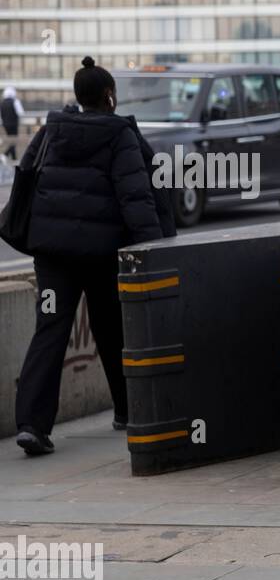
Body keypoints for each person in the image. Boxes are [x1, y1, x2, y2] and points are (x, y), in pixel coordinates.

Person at [14, 57, 170, 456]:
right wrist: (155, 251)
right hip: (101, 254)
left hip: (52, 255)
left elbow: (27, 175)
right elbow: (137, 199)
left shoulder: (52, 129)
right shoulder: (120, 136)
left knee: (50, 330)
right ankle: (127, 409)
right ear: (109, 96)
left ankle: (32, 424)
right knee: (112, 326)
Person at [1, 85, 23, 160]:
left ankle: (13, 157)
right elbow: (20, 113)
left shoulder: (2, 103)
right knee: (13, 140)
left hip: (5, 124)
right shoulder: (15, 101)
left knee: (11, 140)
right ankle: (5, 154)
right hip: (14, 124)